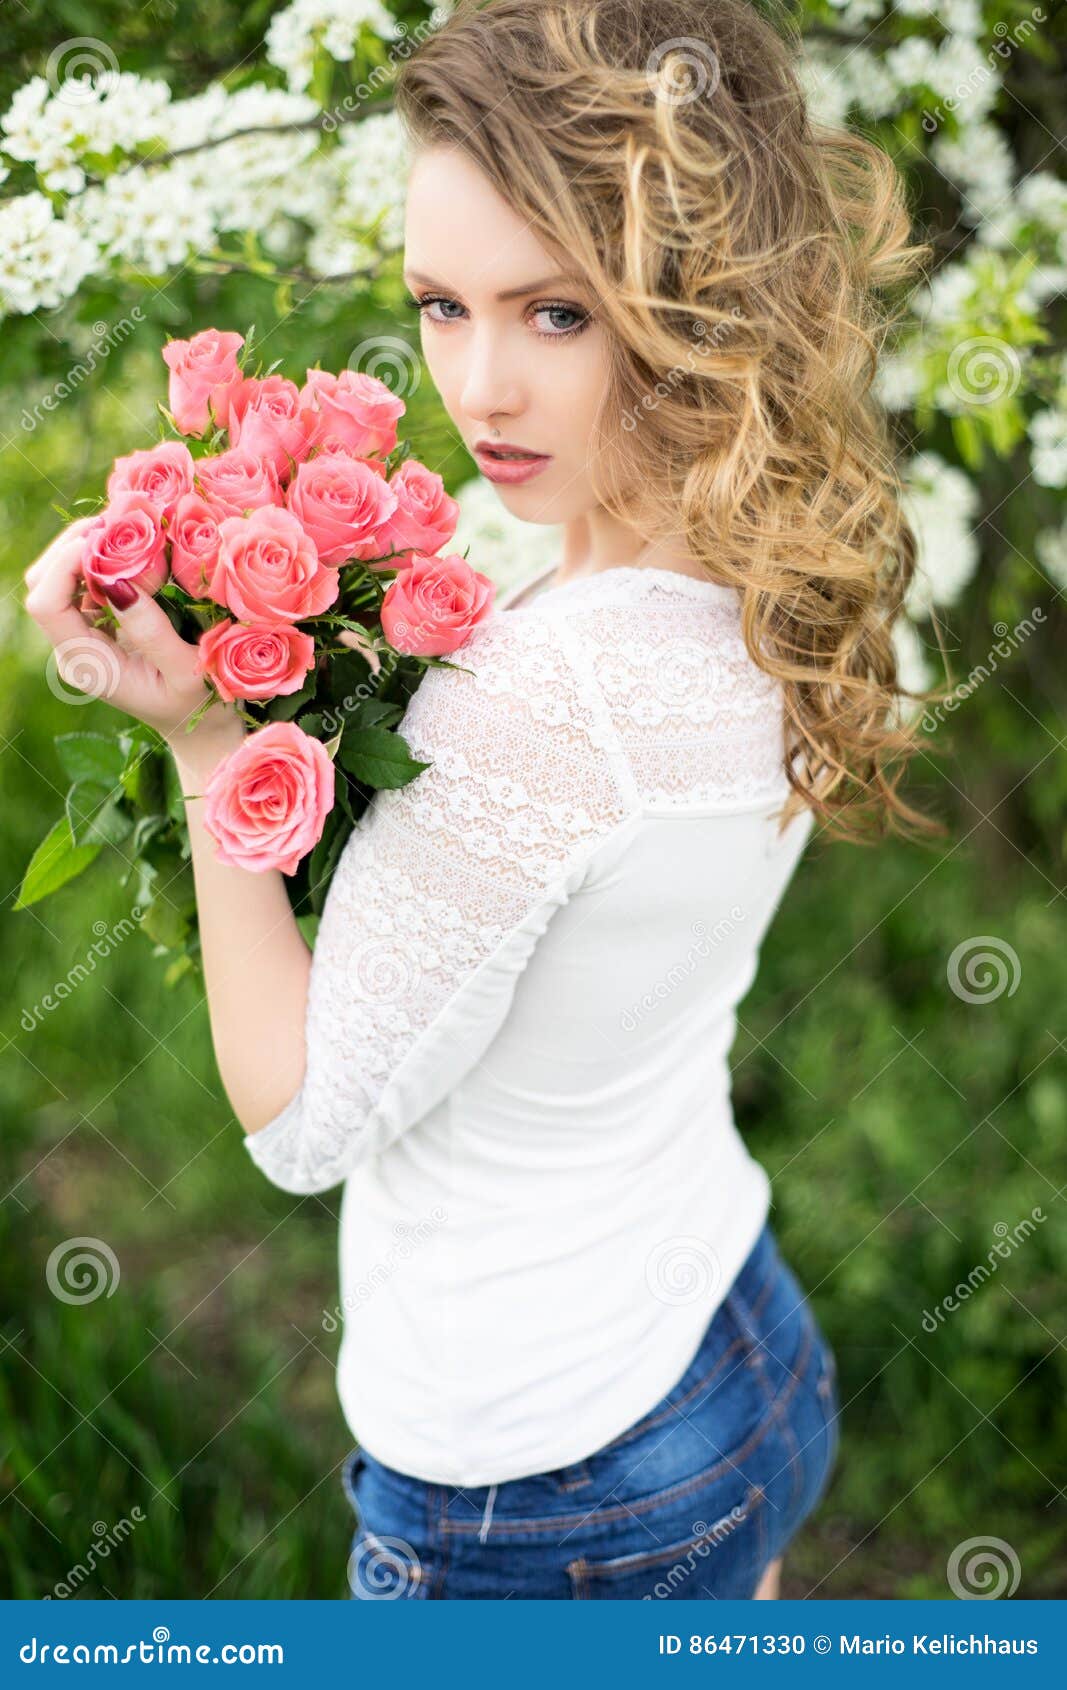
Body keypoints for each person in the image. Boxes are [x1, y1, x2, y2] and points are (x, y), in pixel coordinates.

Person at [24, 0, 943, 1601]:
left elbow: (304, 1123)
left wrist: (197, 748)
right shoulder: (776, 568)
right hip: (740, 1343)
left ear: (690, 298)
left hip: (548, 1487)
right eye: (441, 306)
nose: (484, 386)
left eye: (558, 316)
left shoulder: (536, 696)